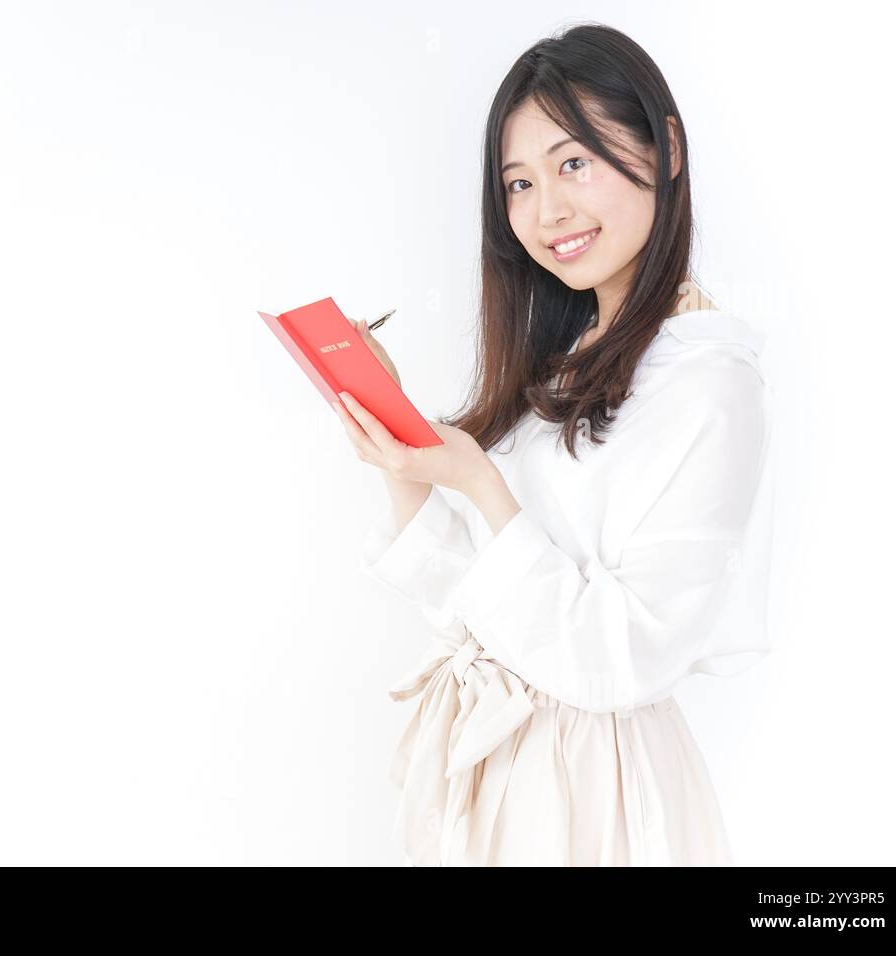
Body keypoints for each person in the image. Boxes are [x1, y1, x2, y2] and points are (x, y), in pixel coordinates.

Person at [332, 22, 774, 867]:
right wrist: (405, 458)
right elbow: (482, 611)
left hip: (596, 794)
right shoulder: (574, 362)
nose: (547, 213)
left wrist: (482, 486)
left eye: (575, 164)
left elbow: (623, 657)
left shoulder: (710, 382)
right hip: (507, 771)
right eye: (519, 183)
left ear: (666, 148)